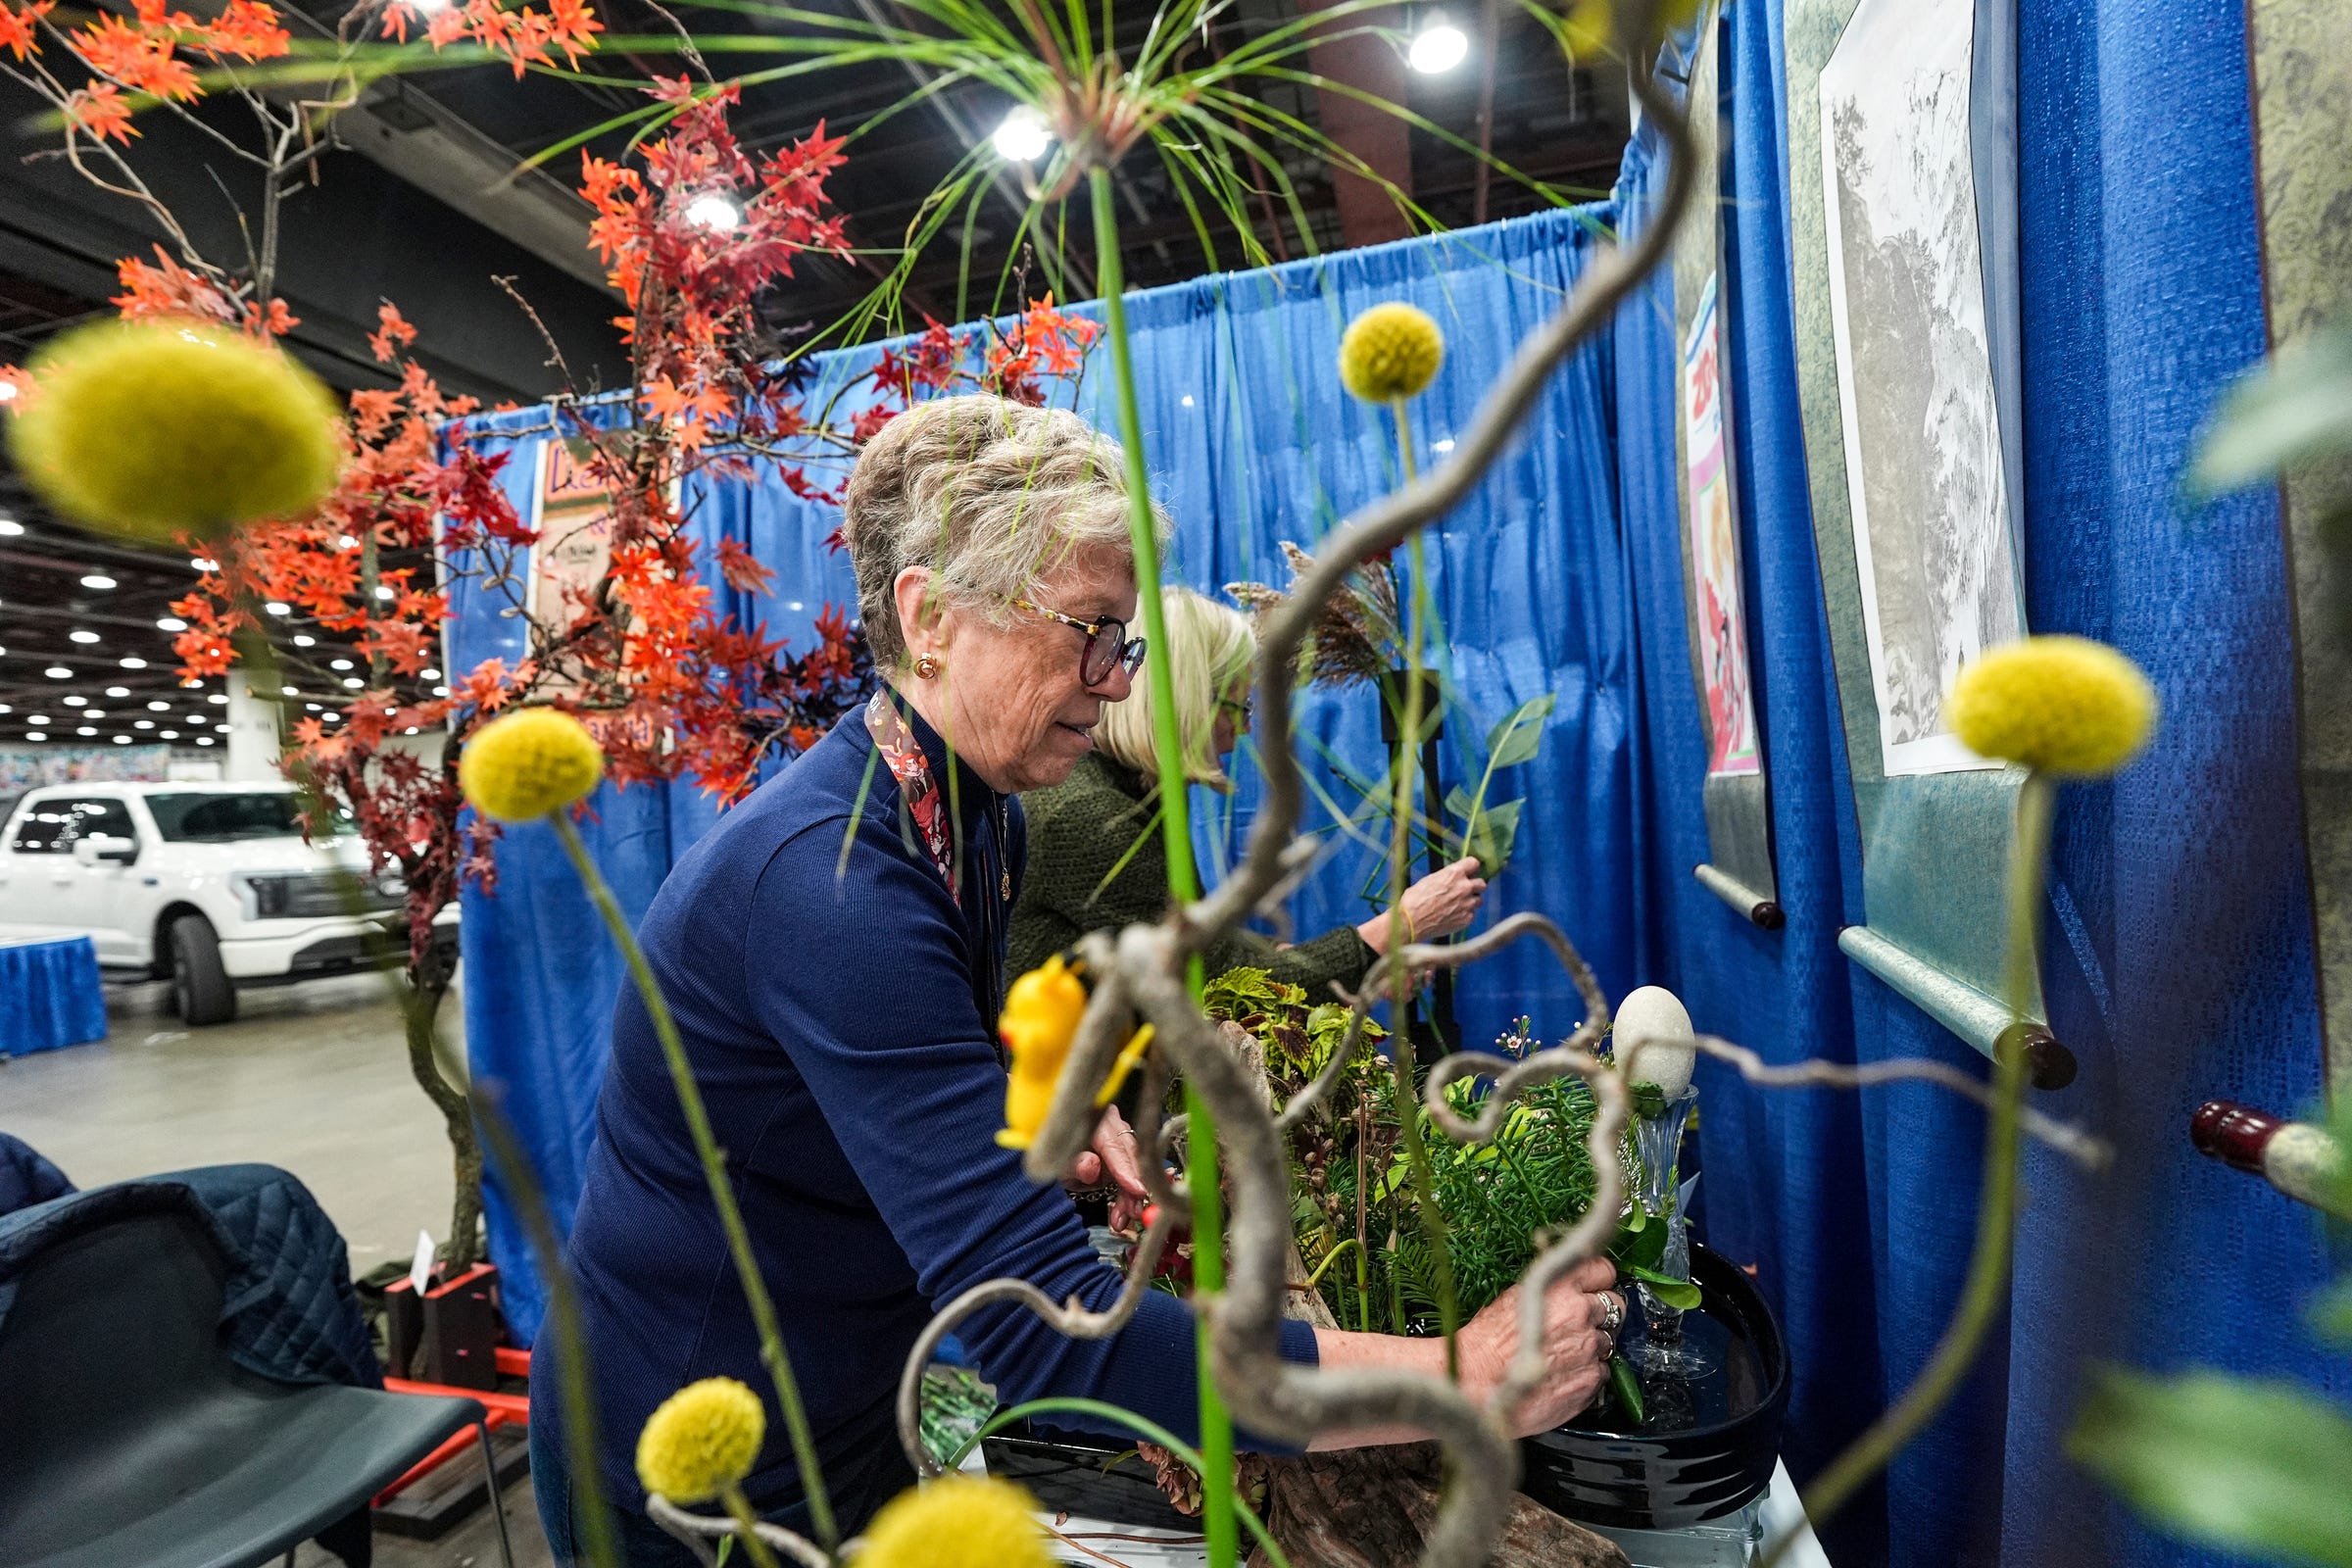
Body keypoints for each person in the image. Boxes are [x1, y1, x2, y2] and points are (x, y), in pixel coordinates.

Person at [530, 395, 1620, 1563]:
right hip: (702, 1459)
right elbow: (1049, 1335)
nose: (1114, 680)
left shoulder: (973, 816)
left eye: (1128, 639)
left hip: (849, 1401)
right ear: (932, 616)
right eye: (1090, 628)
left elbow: (928, 1047)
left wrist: (1038, 1090)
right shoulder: (831, 885)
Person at [1009, 585, 1490, 996]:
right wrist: (1400, 926)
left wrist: (1359, 965)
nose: (1242, 732)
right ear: (1188, 701)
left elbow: (1215, 954)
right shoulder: (1094, 818)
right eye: (1236, 708)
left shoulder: (1122, 795)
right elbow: (1215, 981)